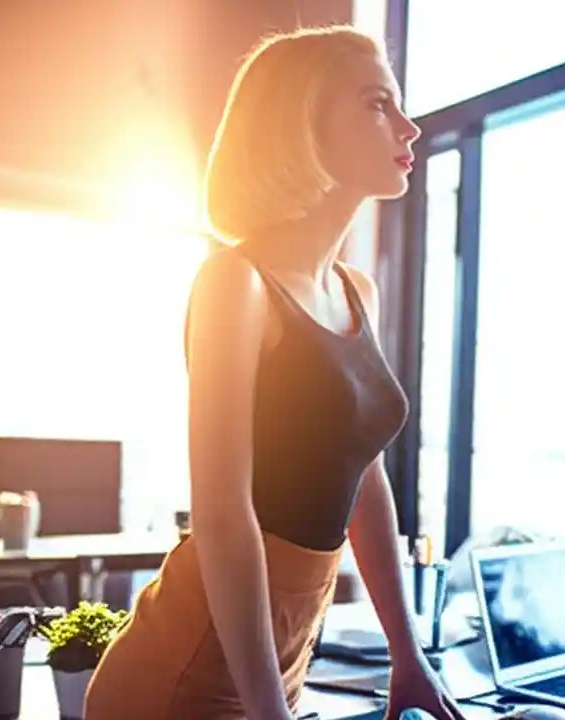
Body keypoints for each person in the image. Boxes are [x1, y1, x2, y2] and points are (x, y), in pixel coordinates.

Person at [84, 26, 463, 720]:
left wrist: (407, 655)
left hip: (280, 662)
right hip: (185, 667)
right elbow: (224, 516)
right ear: (303, 123)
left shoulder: (356, 291)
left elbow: (364, 478)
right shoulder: (236, 282)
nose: (409, 127)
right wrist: (269, 713)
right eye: (378, 104)